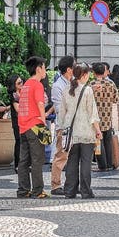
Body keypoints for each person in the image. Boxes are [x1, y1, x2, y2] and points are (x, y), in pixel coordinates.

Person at [57, 63, 102, 199]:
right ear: (84, 75)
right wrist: (98, 130)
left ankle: (70, 190)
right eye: (88, 74)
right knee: (85, 163)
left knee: (71, 162)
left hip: (71, 133)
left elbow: (62, 112)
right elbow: (92, 113)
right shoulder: (87, 90)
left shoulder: (67, 89)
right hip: (86, 132)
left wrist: (61, 128)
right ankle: (86, 191)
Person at [17, 55, 49, 199]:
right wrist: (43, 119)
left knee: (23, 160)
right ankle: (37, 190)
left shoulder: (25, 85)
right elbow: (40, 103)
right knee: (37, 159)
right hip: (35, 125)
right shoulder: (37, 85)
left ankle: (23, 190)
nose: (45, 71)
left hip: (23, 126)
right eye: (44, 68)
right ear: (38, 69)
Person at [50, 54, 75, 196]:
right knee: (61, 155)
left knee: (73, 157)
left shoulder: (73, 83)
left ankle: (71, 184)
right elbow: (60, 108)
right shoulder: (57, 86)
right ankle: (55, 185)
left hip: (75, 126)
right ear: (68, 69)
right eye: (74, 65)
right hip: (64, 127)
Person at [91, 62, 119, 172]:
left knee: (98, 142)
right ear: (104, 71)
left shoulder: (91, 85)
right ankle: (109, 163)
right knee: (108, 141)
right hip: (107, 117)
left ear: (93, 72)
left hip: (96, 119)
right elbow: (116, 99)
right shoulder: (111, 84)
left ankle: (102, 165)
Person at [6, 73, 23, 174]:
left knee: (22, 142)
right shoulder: (14, 95)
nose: (22, 84)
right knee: (19, 141)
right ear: (14, 85)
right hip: (17, 121)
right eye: (19, 83)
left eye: (22, 81)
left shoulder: (21, 93)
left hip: (23, 120)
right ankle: (17, 165)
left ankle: (21, 164)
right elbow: (18, 109)